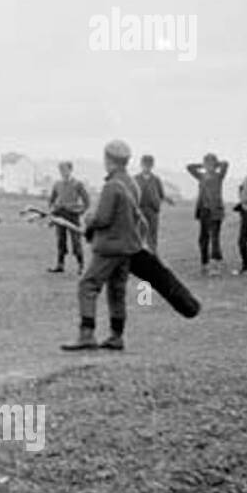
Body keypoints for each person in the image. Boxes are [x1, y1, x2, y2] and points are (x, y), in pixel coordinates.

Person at [62, 140, 145, 352]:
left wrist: (88, 219)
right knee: (117, 290)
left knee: (87, 285)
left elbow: (103, 218)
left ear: (109, 161)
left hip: (109, 247)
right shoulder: (133, 184)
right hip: (128, 247)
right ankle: (116, 336)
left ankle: (86, 334)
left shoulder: (111, 185)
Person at [186, 153, 229, 274]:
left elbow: (226, 164)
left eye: (211, 163)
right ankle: (204, 264)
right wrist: (203, 165)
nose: (209, 166)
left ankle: (215, 266)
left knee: (214, 239)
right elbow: (189, 167)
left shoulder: (219, 176)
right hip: (203, 211)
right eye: (206, 163)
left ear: (215, 165)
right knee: (203, 239)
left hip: (215, 211)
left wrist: (215, 164)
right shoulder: (201, 176)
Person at [46, 160, 90, 273]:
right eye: (61, 170)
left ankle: (81, 266)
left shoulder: (78, 184)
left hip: (73, 216)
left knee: (76, 241)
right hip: (60, 214)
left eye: (65, 169)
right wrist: (52, 210)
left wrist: (80, 211)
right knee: (61, 240)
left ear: (70, 170)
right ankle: (60, 265)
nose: (62, 172)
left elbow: (87, 201)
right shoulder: (57, 184)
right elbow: (51, 199)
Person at [134, 154, 173, 253]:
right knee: (139, 234)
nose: (147, 166)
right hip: (140, 211)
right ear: (141, 165)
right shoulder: (135, 179)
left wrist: (168, 200)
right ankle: (138, 255)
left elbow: (161, 194)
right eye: (145, 164)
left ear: (152, 166)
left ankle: (153, 254)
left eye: (149, 164)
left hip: (153, 211)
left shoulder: (156, 179)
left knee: (152, 235)